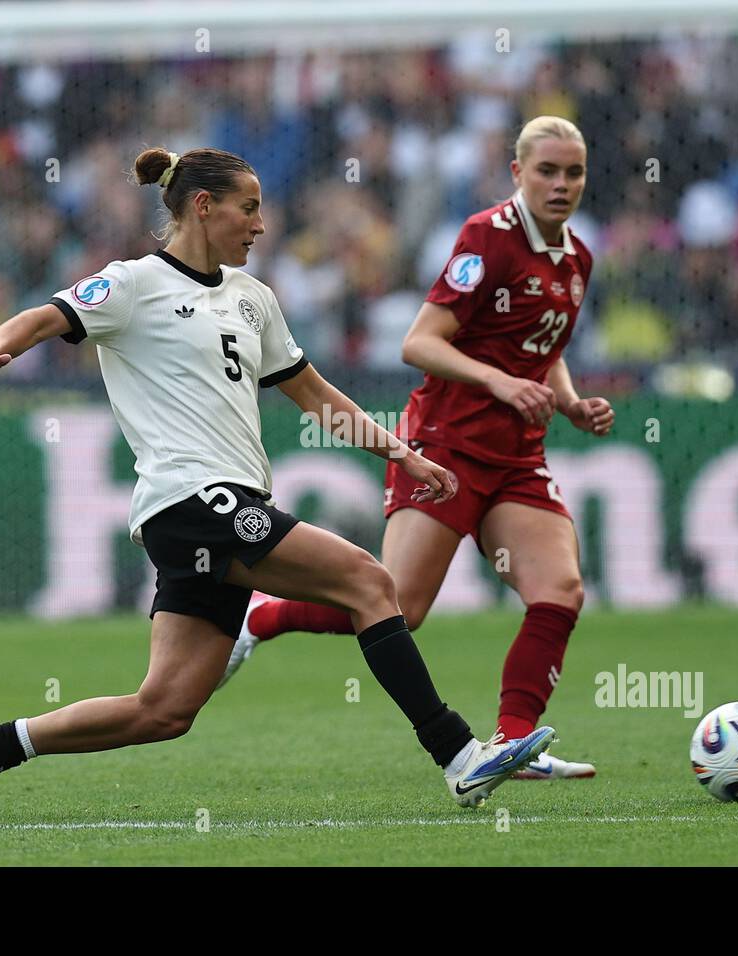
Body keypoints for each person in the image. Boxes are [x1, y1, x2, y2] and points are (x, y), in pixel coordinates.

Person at [0, 146, 555, 818]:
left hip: (224, 506)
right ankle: (460, 756)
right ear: (204, 207)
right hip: (191, 500)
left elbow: (317, 399)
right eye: (249, 208)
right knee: (370, 582)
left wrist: (403, 455)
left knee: (164, 709)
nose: (261, 225)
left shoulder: (254, 299)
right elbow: (47, 316)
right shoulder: (133, 283)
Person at [221, 117, 612, 781]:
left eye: (573, 172)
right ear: (517, 173)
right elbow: (420, 342)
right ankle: (266, 615)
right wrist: (500, 382)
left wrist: (568, 399)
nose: (561, 184)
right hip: (448, 444)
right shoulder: (487, 239)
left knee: (561, 590)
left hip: (517, 456)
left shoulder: (577, 257)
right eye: (547, 171)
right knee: (402, 604)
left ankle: (514, 745)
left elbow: (544, 350)